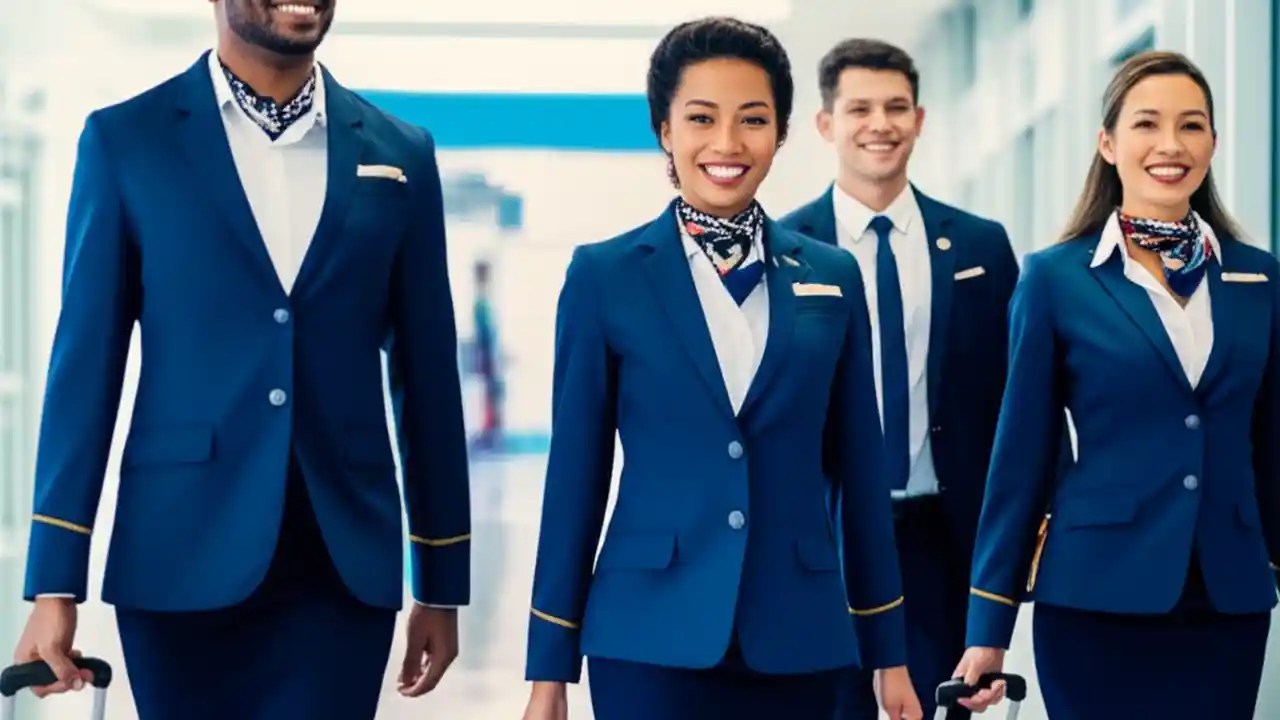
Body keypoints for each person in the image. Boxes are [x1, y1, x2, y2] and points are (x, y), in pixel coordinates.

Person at [11, 1, 472, 717]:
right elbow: (85, 373)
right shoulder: (127, 141)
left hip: (339, 564)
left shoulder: (401, 152)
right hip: (177, 556)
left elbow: (430, 380)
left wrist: (441, 580)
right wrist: (53, 584)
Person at [521, 17, 922, 720]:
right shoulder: (605, 276)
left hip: (798, 630)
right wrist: (547, 669)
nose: (728, 145)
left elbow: (859, 476)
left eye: (754, 120)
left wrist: (889, 649)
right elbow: (576, 477)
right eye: (701, 118)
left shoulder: (831, 276)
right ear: (664, 130)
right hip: (647, 633)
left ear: (783, 132)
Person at [954, 50, 1278, 719]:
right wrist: (988, 628)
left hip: (1227, 601)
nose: (1170, 145)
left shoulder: (1259, 280)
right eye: (1147, 124)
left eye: (1191, 126)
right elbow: (1021, 460)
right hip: (1094, 598)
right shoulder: (1056, 278)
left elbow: (1271, 449)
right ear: (1108, 143)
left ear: (1213, 143)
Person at [779, 39, 1020, 720]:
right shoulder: (786, 248)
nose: (879, 124)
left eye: (895, 107)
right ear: (827, 124)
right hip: (825, 537)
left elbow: (1013, 403)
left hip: (939, 536)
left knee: (943, 708)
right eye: (859, 108)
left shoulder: (980, 246)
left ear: (919, 118)